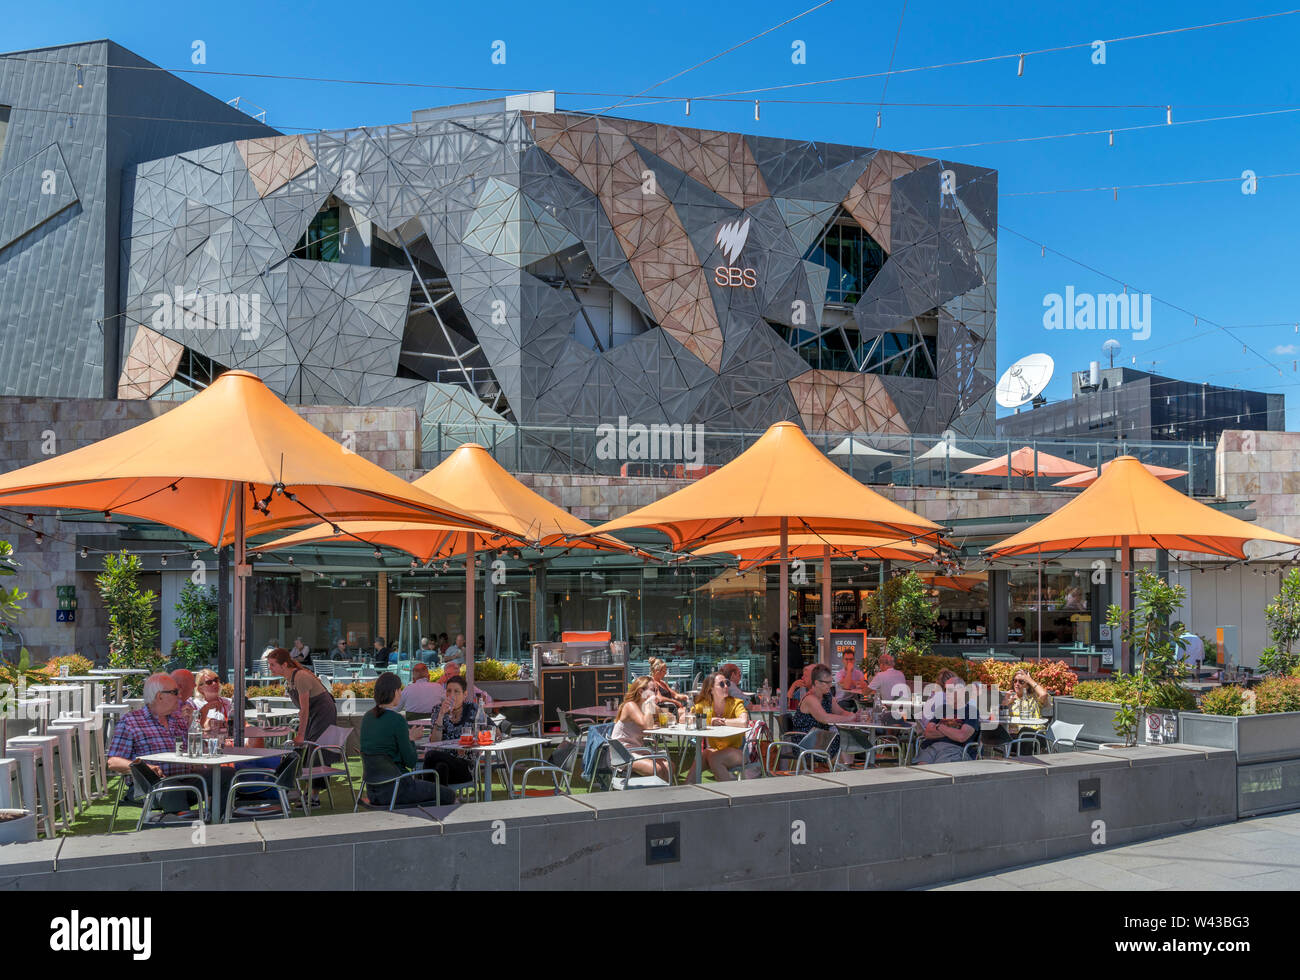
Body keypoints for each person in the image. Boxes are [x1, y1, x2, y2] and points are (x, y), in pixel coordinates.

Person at [107, 672, 208, 812]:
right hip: (150, 786)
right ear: (159, 696)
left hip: (185, 779)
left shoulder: (178, 719)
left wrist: (193, 726)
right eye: (175, 692)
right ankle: (184, 826)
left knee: (225, 775)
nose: (180, 695)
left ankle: (222, 824)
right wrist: (145, 767)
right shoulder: (131, 722)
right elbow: (113, 762)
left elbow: (194, 751)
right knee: (172, 788)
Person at [359, 672, 450, 806]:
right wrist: (411, 738)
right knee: (449, 795)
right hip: (397, 788)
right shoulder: (397, 720)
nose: (401, 694)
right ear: (395, 691)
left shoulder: (367, 717)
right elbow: (411, 762)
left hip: (373, 790)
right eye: (400, 690)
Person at [267, 647, 337, 805]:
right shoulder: (289, 679)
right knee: (304, 750)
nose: (270, 668)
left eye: (272, 665)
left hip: (324, 712)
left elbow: (304, 710)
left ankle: (313, 796)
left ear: (284, 664)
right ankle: (297, 790)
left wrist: (300, 734)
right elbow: (302, 711)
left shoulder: (300, 677)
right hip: (314, 713)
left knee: (316, 749)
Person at [788, 664, 859, 760]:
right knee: (845, 742)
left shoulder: (827, 696)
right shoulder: (810, 699)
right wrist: (848, 718)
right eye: (827, 682)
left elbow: (840, 712)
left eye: (831, 682)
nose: (830, 685)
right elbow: (824, 718)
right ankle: (843, 771)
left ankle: (843, 770)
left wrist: (854, 715)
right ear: (817, 683)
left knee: (848, 739)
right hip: (805, 744)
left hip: (821, 740)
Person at [611, 676, 674, 782]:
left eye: (656, 690)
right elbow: (647, 725)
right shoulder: (630, 706)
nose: (656, 693)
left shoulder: (644, 706)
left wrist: (657, 709)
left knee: (670, 766)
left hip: (638, 750)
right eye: (653, 690)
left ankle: (664, 793)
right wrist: (649, 705)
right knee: (658, 769)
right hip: (624, 754)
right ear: (641, 691)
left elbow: (671, 718)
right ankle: (661, 794)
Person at [912, 669, 981, 764]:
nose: (946, 693)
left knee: (941, 770)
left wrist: (939, 727)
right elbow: (927, 733)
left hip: (954, 749)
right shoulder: (942, 708)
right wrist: (953, 730)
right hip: (931, 747)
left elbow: (961, 736)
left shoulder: (971, 711)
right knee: (921, 769)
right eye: (946, 690)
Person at [692, 672, 749, 782]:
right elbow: (684, 719)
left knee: (714, 757)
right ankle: (687, 791)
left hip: (738, 751)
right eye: (721, 684)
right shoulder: (705, 704)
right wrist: (709, 720)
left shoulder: (735, 703)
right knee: (704, 754)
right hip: (715, 749)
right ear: (711, 689)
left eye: (727, 683)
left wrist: (722, 721)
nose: (726, 686)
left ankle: (729, 794)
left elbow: (744, 721)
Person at [423, 675, 477, 787]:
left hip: (464, 765)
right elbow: (434, 742)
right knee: (441, 767)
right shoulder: (438, 709)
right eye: (449, 691)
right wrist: (441, 715)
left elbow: (492, 730)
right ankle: (445, 799)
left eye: (456, 691)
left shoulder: (472, 709)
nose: (452, 695)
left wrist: (474, 741)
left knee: (430, 755)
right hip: (442, 762)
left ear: (465, 694)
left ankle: (426, 794)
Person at [191, 668, 233, 736]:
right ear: (200, 688)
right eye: (209, 682)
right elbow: (196, 729)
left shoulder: (229, 702)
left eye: (216, 680)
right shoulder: (195, 705)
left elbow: (241, 725)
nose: (215, 683)